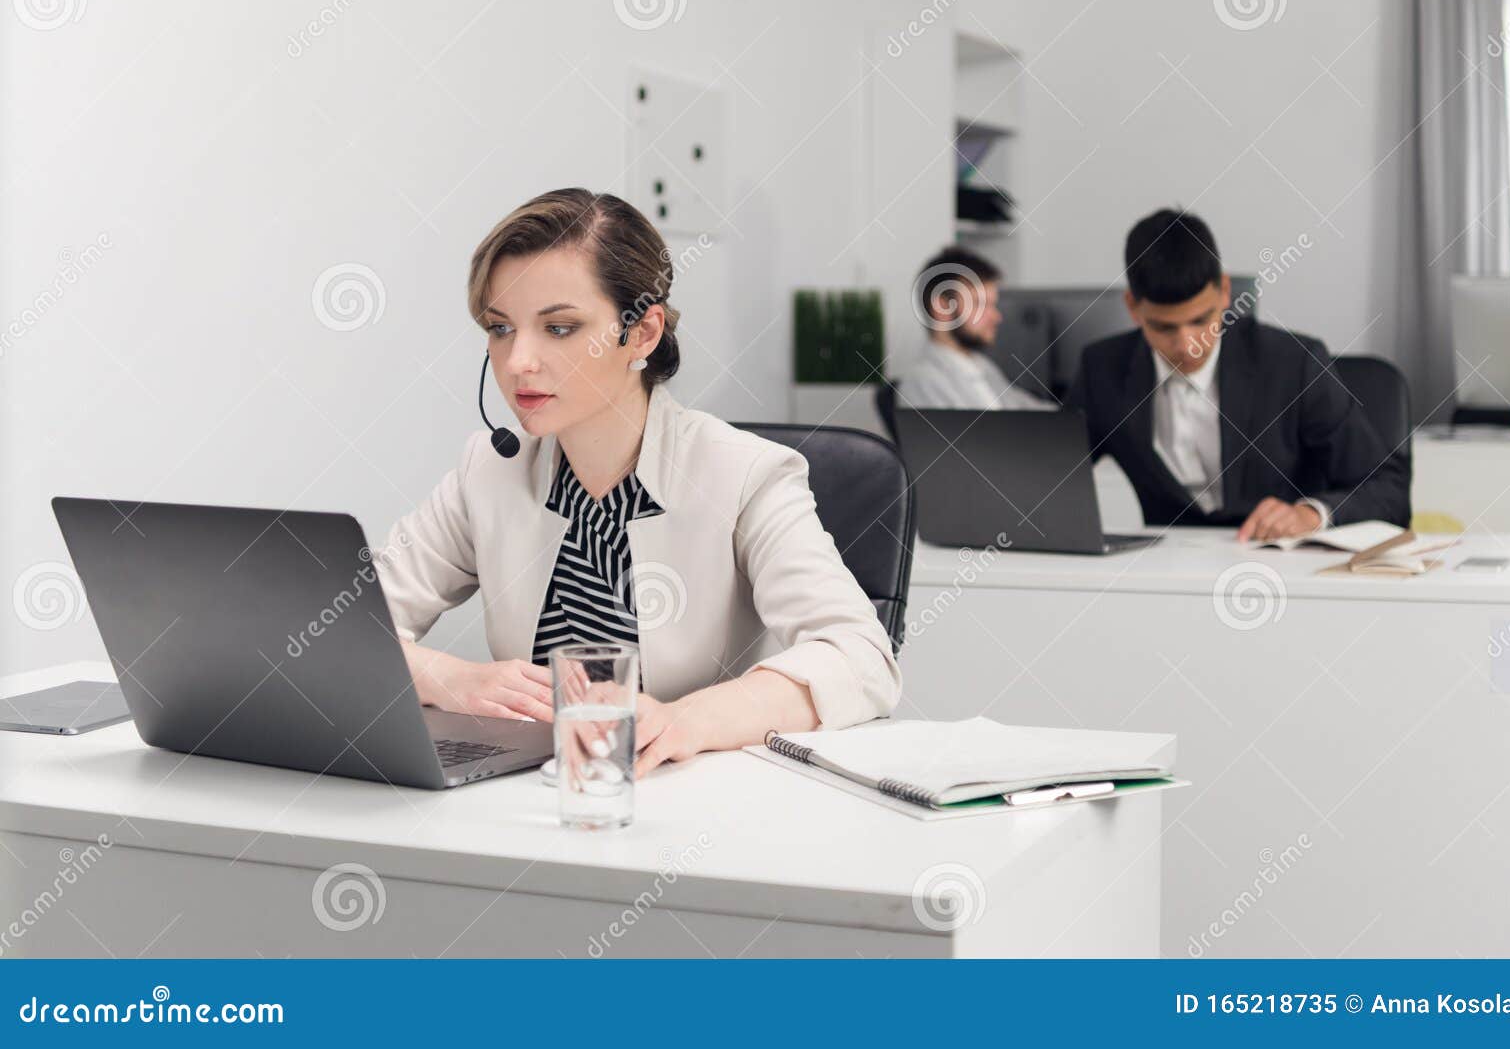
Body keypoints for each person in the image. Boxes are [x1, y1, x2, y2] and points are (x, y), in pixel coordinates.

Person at [374, 188, 900, 776]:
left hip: (693, 801)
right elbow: (343, 625)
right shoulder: (489, 469)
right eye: (501, 329)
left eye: (560, 328)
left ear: (642, 334)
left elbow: (861, 658)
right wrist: (451, 679)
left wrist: (686, 721)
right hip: (533, 799)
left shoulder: (746, 472)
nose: (519, 360)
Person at [1068, 208, 1411, 541]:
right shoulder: (1102, 370)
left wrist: (1310, 515)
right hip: (1165, 570)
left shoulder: (1294, 364)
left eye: (1201, 320)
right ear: (1133, 307)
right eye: (1164, 327)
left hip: (1281, 567)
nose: (1187, 345)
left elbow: (1389, 489)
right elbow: (1050, 476)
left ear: (1225, 292)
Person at [896, 245, 1054, 410]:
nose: (997, 317)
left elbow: (1029, 411)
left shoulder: (982, 366)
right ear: (942, 308)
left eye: (993, 304)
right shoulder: (924, 382)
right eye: (981, 304)